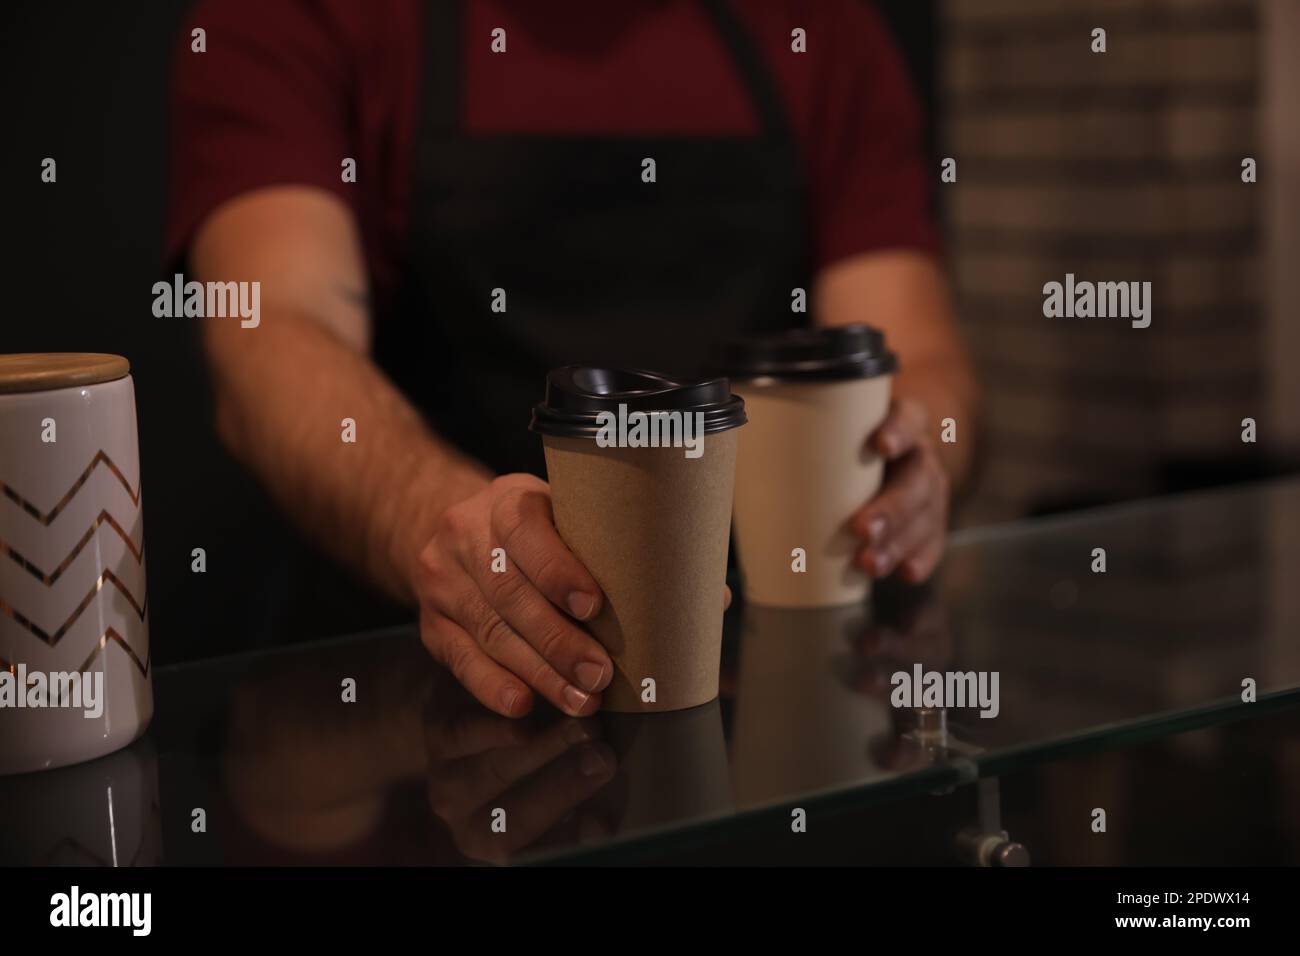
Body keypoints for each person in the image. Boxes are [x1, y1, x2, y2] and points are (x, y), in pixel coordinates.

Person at [169, 0, 979, 720]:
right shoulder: (299, 14)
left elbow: (920, 358)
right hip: (406, 700)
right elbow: (273, 329)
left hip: (762, 684)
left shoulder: (818, 26)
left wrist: (914, 456)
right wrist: (448, 529)